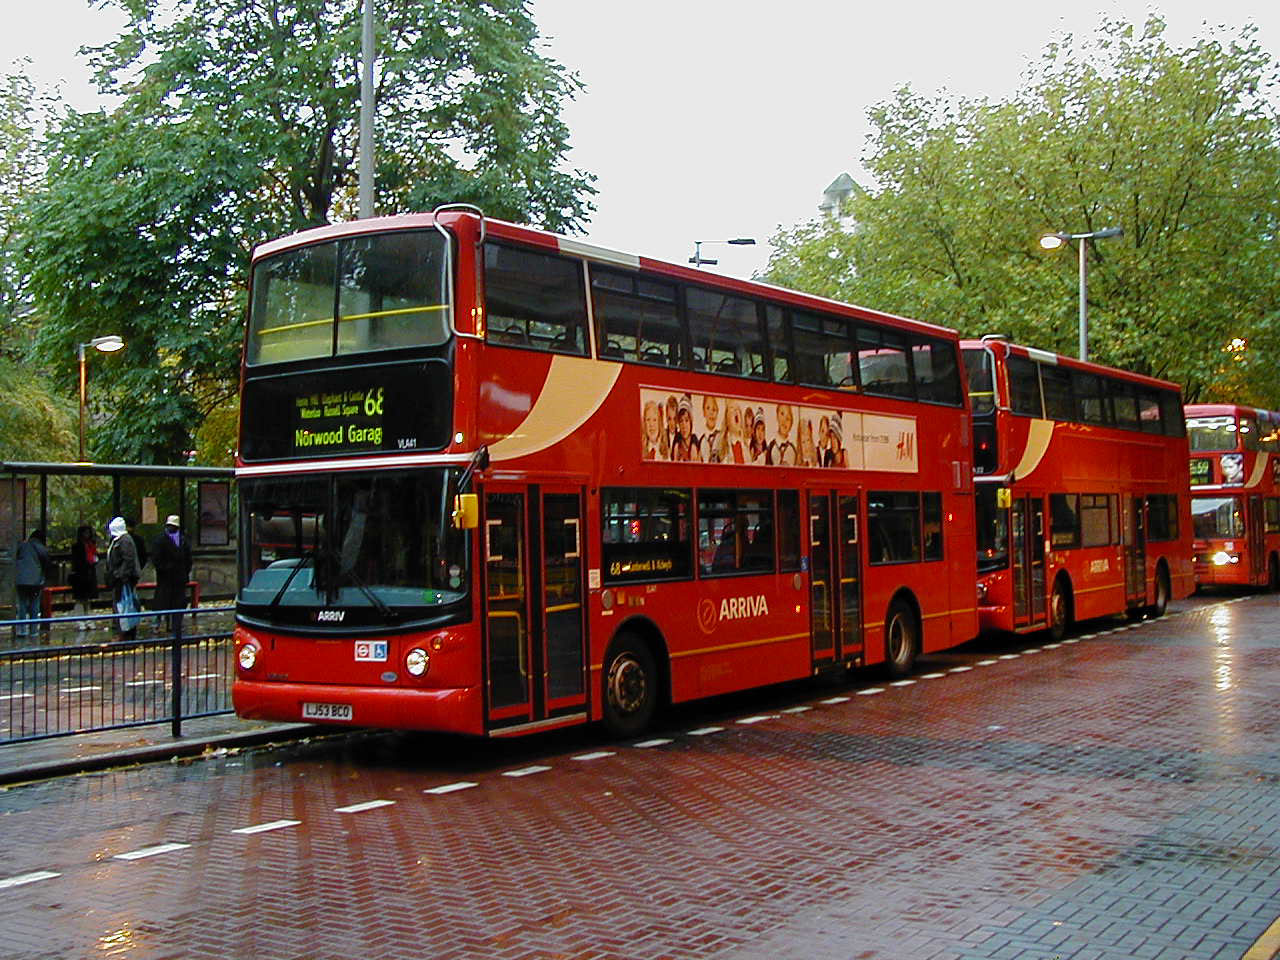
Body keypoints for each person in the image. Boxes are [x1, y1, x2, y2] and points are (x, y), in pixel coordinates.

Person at [151, 514, 192, 632]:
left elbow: (188, 559)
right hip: (166, 578)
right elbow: (156, 559)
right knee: (161, 603)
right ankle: (157, 625)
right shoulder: (160, 540)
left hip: (179, 579)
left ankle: (175, 625)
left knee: (178, 603)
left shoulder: (183, 540)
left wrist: (185, 571)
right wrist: (165, 568)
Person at [106, 516, 142, 641]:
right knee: (123, 606)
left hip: (124, 580)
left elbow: (128, 560)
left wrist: (120, 575)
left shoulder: (124, 541)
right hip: (121, 578)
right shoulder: (119, 540)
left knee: (125, 606)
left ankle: (126, 633)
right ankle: (125, 631)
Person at [13, 530, 52, 637]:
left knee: (22, 604)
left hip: (21, 580)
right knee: (34, 604)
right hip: (36, 581)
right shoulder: (41, 548)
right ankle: (33, 630)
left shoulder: (21, 546)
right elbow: (47, 562)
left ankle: (21, 629)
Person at [69, 525, 100, 631]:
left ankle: (88, 620)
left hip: (89, 575)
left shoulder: (91, 545)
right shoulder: (77, 546)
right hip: (81, 576)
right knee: (80, 600)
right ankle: (80, 621)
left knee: (87, 600)